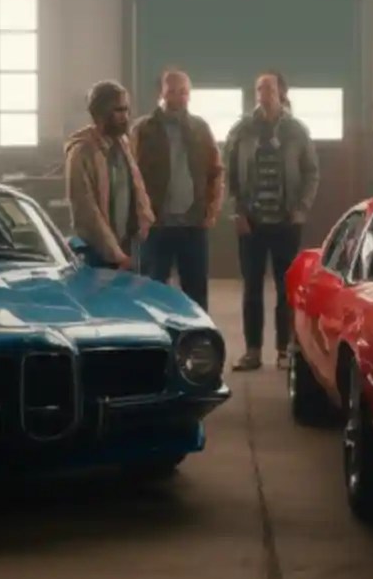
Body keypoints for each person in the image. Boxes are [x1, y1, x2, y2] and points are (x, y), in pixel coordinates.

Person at [225, 70, 319, 371]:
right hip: (251, 222)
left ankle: (284, 349)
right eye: (258, 88)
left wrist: (302, 206)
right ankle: (253, 350)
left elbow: (311, 171)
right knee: (251, 287)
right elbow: (227, 174)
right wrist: (236, 211)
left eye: (268, 87)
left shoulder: (296, 131)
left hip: (285, 221)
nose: (262, 93)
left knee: (285, 287)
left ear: (281, 92)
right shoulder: (242, 129)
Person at [131, 69, 224, 311]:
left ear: (189, 95)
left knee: (196, 292)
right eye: (171, 91)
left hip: (193, 224)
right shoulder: (143, 129)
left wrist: (212, 210)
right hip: (156, 225)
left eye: (183, 92)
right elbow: (132, 174)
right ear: (161, 93)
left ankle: (198, 344)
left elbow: (216, 171)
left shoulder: (200, 128)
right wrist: (140, 214)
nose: (178, 97)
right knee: (152, 289)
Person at [64, 80, 153, 270]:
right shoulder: (82, 152)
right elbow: (86, 211)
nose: (125, 117)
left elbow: (136, 184)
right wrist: (116, 255)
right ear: (100, 113)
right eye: (118, 110)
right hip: (97, 252)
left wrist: (144, 217)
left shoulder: (122, 143)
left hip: (127, 246)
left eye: (127, 110)